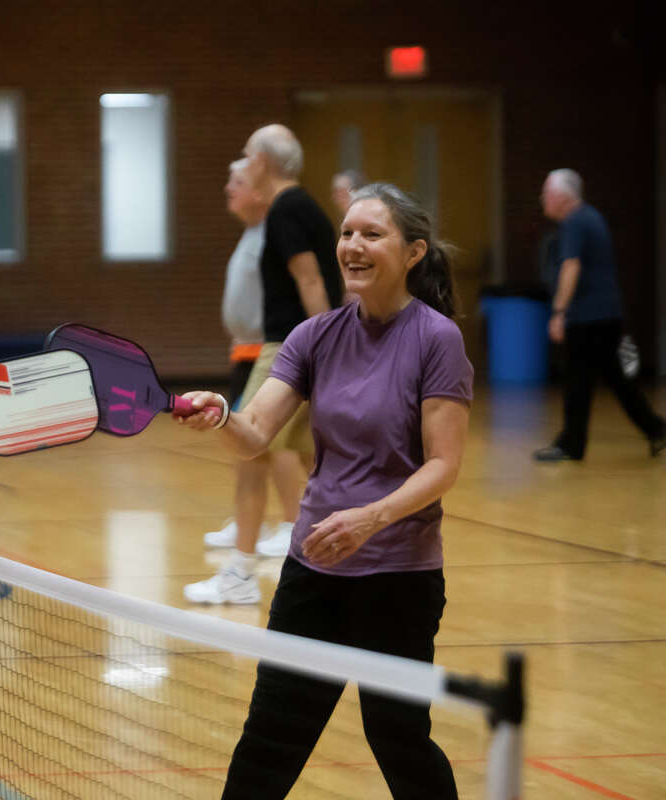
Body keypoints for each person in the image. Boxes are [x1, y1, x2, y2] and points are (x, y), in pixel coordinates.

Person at [179, 183, 470, 799]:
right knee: (271, 734)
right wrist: (219, 414)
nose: (353, 246)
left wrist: (370, 519)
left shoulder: (436, 339)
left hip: (398, 575)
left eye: (372, 234)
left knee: (398, 737)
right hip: (314, 568)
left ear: (413, 252)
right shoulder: (315, 336)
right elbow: (255, 433)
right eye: (346, 233)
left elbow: (443, 465)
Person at [185, 124, 342, 605]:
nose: (244, 160)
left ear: (262, 162)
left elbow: (312, 281)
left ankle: (241, 572)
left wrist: (327, 349)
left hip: (287, 347)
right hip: (296, 344)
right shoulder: (295, 208)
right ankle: (329, 569)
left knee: (248, 451)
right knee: (311, 462)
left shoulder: (288, 209)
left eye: (247, 153)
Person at [533, 169, 666, 461]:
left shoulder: (575, 222)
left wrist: (559, 312)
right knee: (615, 378)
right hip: (605, 314)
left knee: (578, 380)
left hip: (588, 316)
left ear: (561, 197)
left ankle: (571, 445)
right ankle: (655, 428)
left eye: (546, 193)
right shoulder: (591, 217)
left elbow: (571, 267)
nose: (542, 199)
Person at [202, 158, 302, 559]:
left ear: (260, 191)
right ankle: (252, 523)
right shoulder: (252, 234)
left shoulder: (273, 237)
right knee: (246, 443)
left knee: (275, 441)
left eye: (237, 181)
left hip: (267, 349)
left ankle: (294, 524)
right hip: (244, 350)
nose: (229, 187)